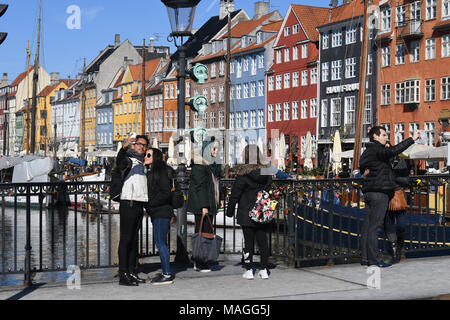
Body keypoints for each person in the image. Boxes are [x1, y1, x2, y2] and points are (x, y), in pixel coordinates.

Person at [359, 126, 420, 268]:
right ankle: (374, 260)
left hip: (368, 191)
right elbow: (394, 150)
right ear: (375, 136)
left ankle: (366, 258)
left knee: (368, 227)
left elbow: (362, 165)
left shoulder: (367, 151)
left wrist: (366, 171)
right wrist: (412, 138)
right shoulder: (377, 150)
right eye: (384, 135)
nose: (386, 137)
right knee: (374, 227)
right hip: (379, 193)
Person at [226, 145, 272, 280]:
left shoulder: (243, 173)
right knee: (262, 240)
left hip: (246, 210)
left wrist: (229, 211)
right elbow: (268, 187)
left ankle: (249, 269)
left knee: (248, 242)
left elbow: (235, 194)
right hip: (261, 210)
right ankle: (264, 269)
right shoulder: (265, 171)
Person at [111, 133, 149, 286]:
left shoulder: (143, 163)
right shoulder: (127, 159)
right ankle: (123, 273)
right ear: (133, 145)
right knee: (126, 239)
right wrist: (124, 147)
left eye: (144, 145)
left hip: (140, 202)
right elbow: (119, 162)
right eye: (139, 144)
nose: (142, 147)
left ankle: (132, 271)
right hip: (129, 201)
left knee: (134, 240)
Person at [186, 136, 223, 272]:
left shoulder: (213, 164)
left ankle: (204, 258)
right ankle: (199, 260)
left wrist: (222, 197)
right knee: (201, 231)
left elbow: (217, 183)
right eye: (214, 148)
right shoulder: (199, 164)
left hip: (210, 202)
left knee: (206, 231)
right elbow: (199, 186)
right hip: (203, 203)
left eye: (218, 148)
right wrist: (204, 206)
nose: (216, 151)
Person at [145, 148, 176, 285]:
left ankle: (167, 274)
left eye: (149, 155)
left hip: (161, 212)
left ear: (155, 158)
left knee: (160, 243)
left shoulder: (160, 173)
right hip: (157, 212)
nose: (145, 156)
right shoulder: (152, 172)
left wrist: (151, 203)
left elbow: (166, 193)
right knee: (160, 242)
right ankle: (165, 271)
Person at [383, 142, 409, 264]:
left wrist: (394, 179)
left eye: (389, 147)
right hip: (385, 195)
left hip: (398, 194)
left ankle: (399, 247)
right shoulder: (380, 162)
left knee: (401, 225)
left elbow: (406, 179)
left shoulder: (400, 161)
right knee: (388, 223)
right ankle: (394, 251)